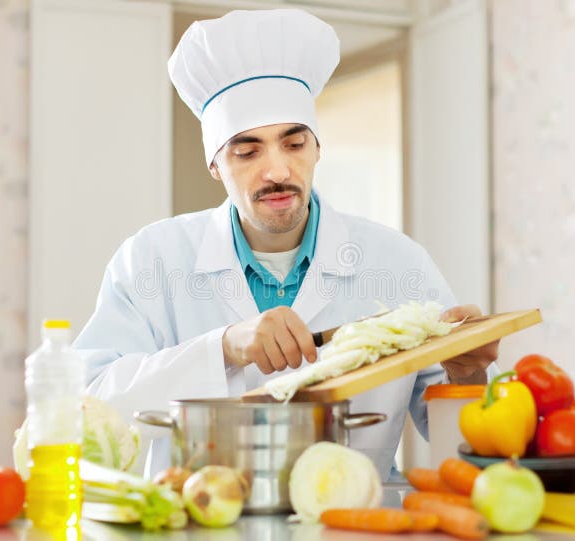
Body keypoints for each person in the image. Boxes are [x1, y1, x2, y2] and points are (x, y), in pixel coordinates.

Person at [74, 8, 498, 480]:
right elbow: (87, 414)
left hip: (355, 522)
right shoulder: (151, 259)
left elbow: (462, 453)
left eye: (294, 145)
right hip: (198, 522)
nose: (276, 170)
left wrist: (468, 377)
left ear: (317, 148)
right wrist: (222, 349)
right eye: (248, 151)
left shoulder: (398, 262)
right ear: (215, 164)